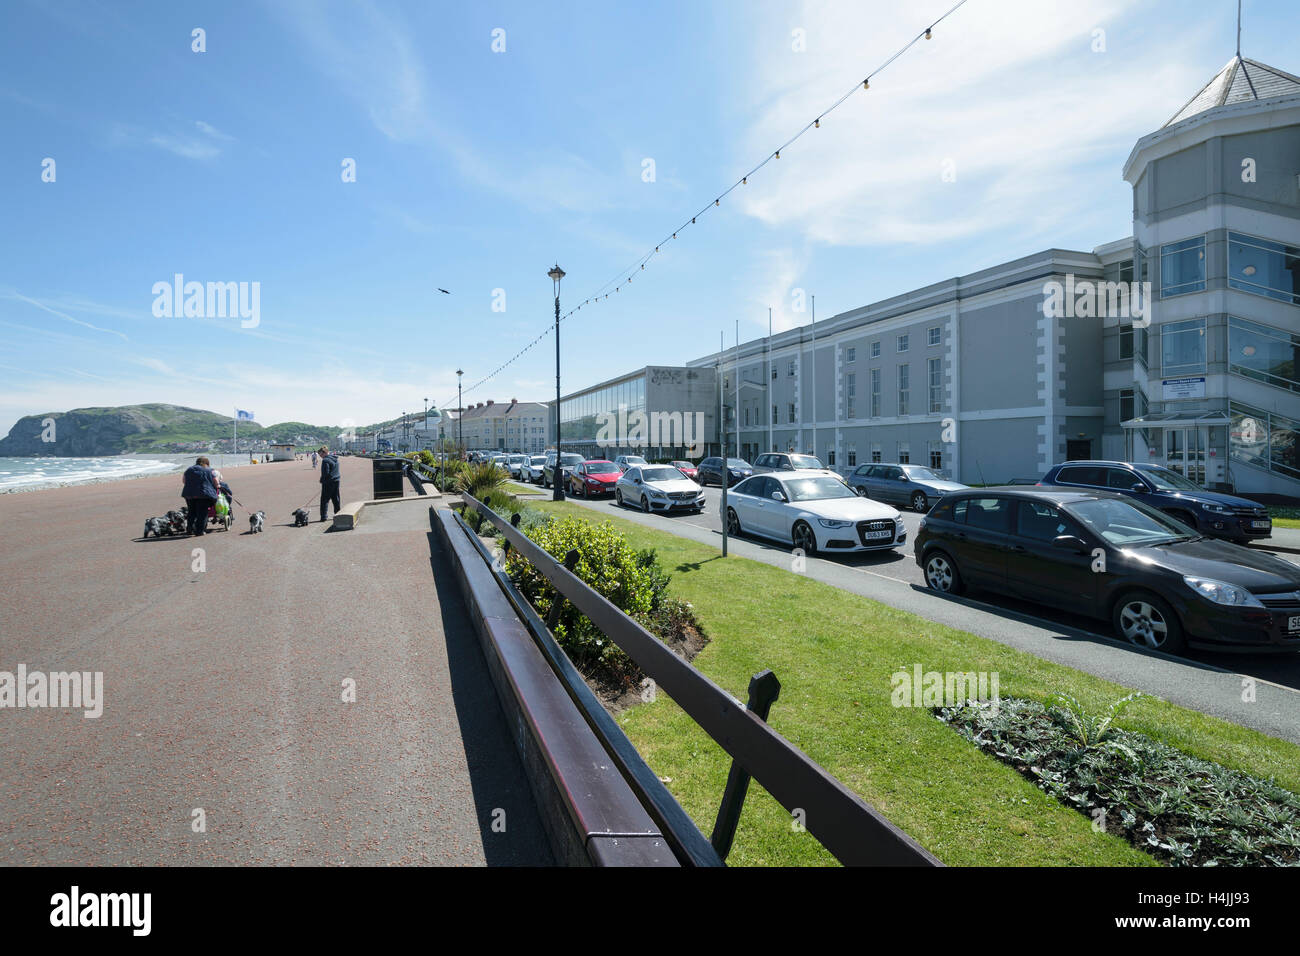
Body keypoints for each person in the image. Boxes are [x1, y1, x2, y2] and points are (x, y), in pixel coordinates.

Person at [181, 456, 219, 536]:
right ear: (207, 463)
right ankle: (199, 531)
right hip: (204, 494)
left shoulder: (189, 469)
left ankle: (189, 530)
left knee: (191, 512)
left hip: (189, 494)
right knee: (202, 513)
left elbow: (184, 481)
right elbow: (215, 481)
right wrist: (217, 486)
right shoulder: (211, 470)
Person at [318, 445, 341, 522]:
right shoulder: (335, 459)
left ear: (324, 453)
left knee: (324, 499)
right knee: (336, 498)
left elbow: (326, 473)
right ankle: (338, 514)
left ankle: (324, 516)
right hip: (336, 481)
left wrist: (322, 480)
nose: (320, 456)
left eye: (321, 454)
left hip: (328, 482)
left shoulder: (325, 461)